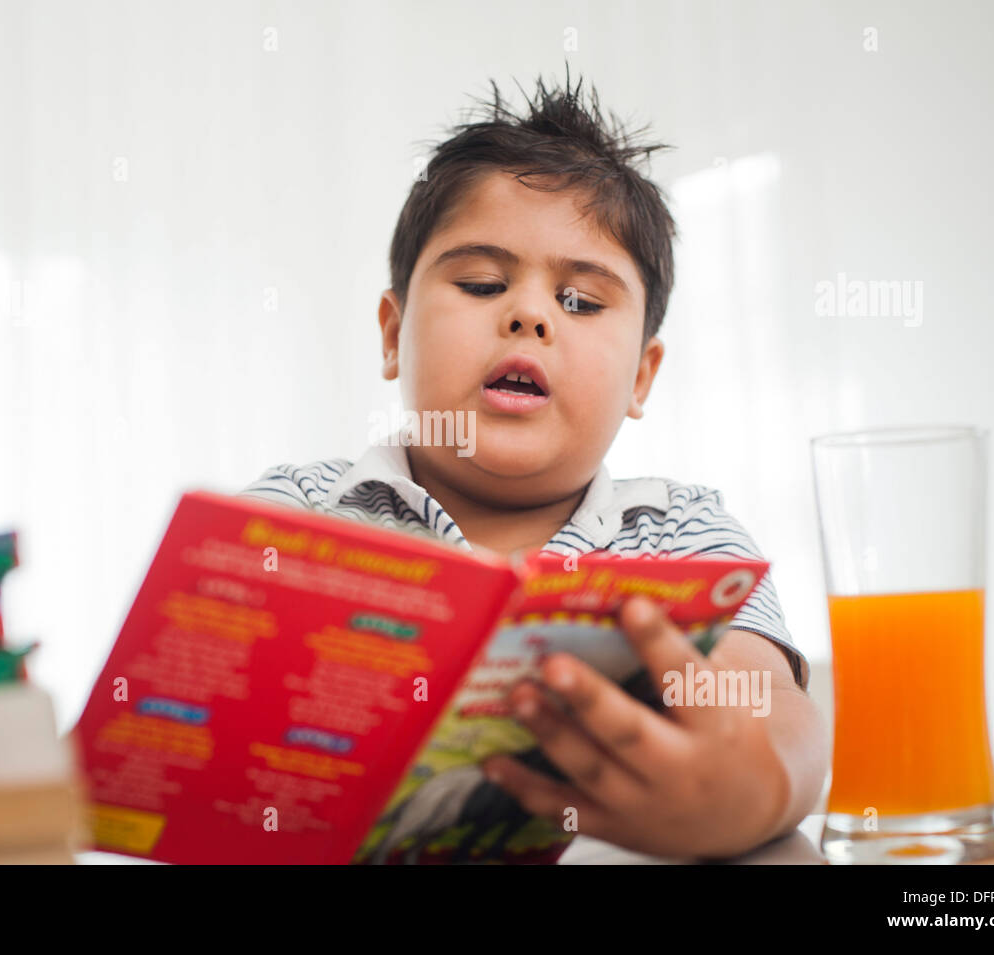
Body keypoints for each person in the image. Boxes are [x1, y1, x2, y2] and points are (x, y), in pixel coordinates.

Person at [241, 69, 828, 860]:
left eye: (583, 301)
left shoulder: (679, 532)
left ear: (641, 378)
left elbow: (770, 703)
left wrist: (752, 787)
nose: (530, 314)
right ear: (392, 332)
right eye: (483, 283)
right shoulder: (292, 510)